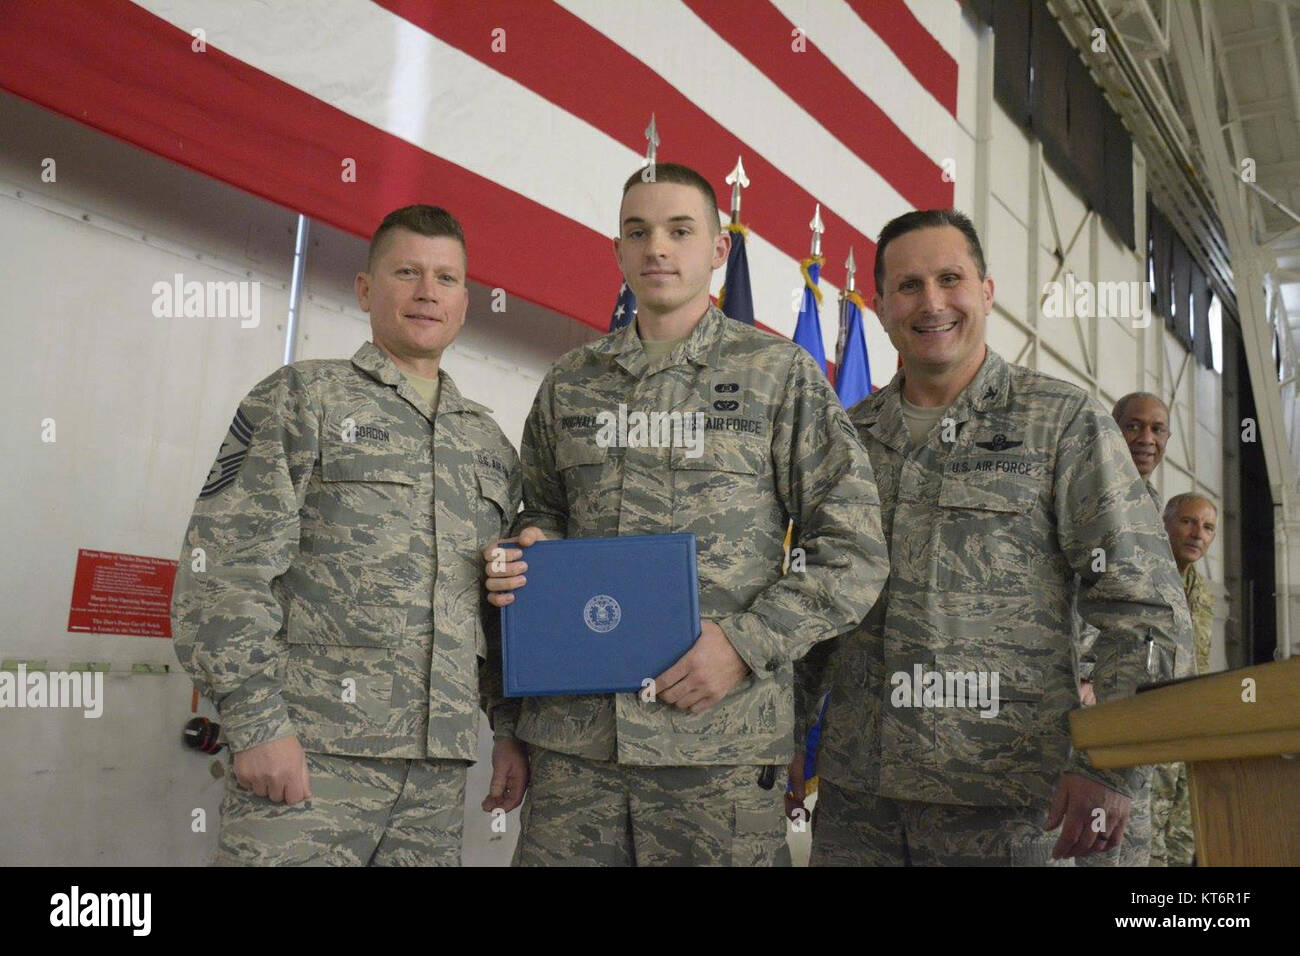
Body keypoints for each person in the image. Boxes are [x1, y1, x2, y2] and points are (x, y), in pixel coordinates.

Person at [483, 163, 889, 866]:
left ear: (719, 251)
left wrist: (745, 644)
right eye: (638, 233)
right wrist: (525, 548)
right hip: (577, 749)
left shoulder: (777, 375)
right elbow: (539, 514)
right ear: (618, 253)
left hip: (716, 748)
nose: (658, 249)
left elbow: (853, 548)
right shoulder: (571, 383)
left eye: (679, 230)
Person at [795, 209, 1193, 866]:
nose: (932, 303)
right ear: (880, 303)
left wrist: (1111, 767)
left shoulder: (1061, 424)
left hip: (1009, 807)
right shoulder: (847, 438)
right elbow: (813, 600)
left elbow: (1143, 607)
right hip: (858, 808)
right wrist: (786, 727)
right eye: (909, 285)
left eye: (950, 279)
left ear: (986, 290)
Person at [171, 205, 521, 865]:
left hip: (436, 776)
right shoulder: (303, 399)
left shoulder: (491, 448)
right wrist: (256, 724)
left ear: (465, 302)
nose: (426, 292)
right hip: (310, 756)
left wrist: (509, 732)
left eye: (445, 278)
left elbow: (503, 611)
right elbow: (222, 566)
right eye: (407, 272)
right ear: (365, 289)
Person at [1076, 391, 1175, 866]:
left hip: (1143, 700)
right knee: (1084, 838)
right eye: (1134, 426)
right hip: (1091, 699)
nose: (1146, 439)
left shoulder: (1154, 505)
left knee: (1127, 843)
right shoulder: (1088, 491)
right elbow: (1070, 595)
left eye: (1157, 429)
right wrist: (1082, 675)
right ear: (1113, 430)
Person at [1149, 492, 1218, 867]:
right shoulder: (1143, 579)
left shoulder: (1202, 593)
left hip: (1188, 729)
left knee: (1181, 837)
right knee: (1147, 835)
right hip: (1150, 726)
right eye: (1188, 521)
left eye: (1208, 528)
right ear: (1165, 522)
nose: (1198, 534)